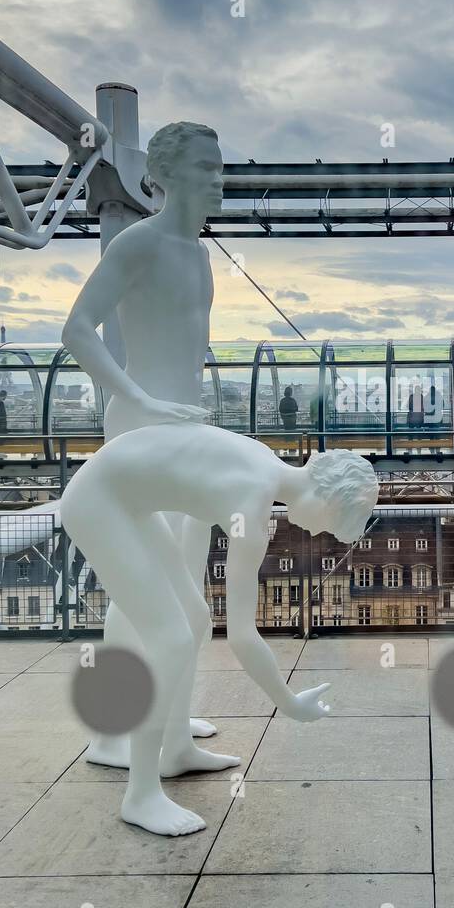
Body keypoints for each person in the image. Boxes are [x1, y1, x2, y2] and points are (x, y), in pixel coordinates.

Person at [60, 427, 378, 836]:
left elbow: (196, 499)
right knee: (171, 640)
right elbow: (243, 635)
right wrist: (288, 702)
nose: (319, 534)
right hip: (99, 503)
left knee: (194, 619)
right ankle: (140, 795)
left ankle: (175, 750)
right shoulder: (253, 503)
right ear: (327, 497)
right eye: (331, 523)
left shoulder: (262, 461)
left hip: (122, 498)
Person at [62, 121, 223, 770]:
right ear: (170, 174)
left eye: (219, 167)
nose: (219, 179)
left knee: (175, 582)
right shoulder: (139, 242)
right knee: (146, 589)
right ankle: (121, 733)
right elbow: (76, 329)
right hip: (141, 432)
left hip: (185, 432)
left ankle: (167, 722)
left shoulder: (198, 253)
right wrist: (141, 396)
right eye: (207, 167)